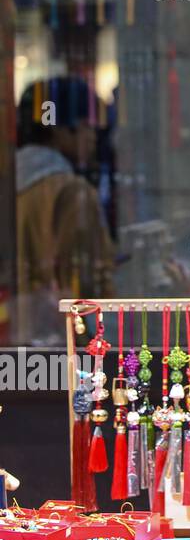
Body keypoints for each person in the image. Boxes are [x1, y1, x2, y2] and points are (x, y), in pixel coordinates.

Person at [14, 77, 115, 347]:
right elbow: (84, 285)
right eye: (86, 126)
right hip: (60, 349)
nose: (93, 136)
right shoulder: (73, 193)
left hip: (14, 344)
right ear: (59, 131)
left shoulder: (12, 180)